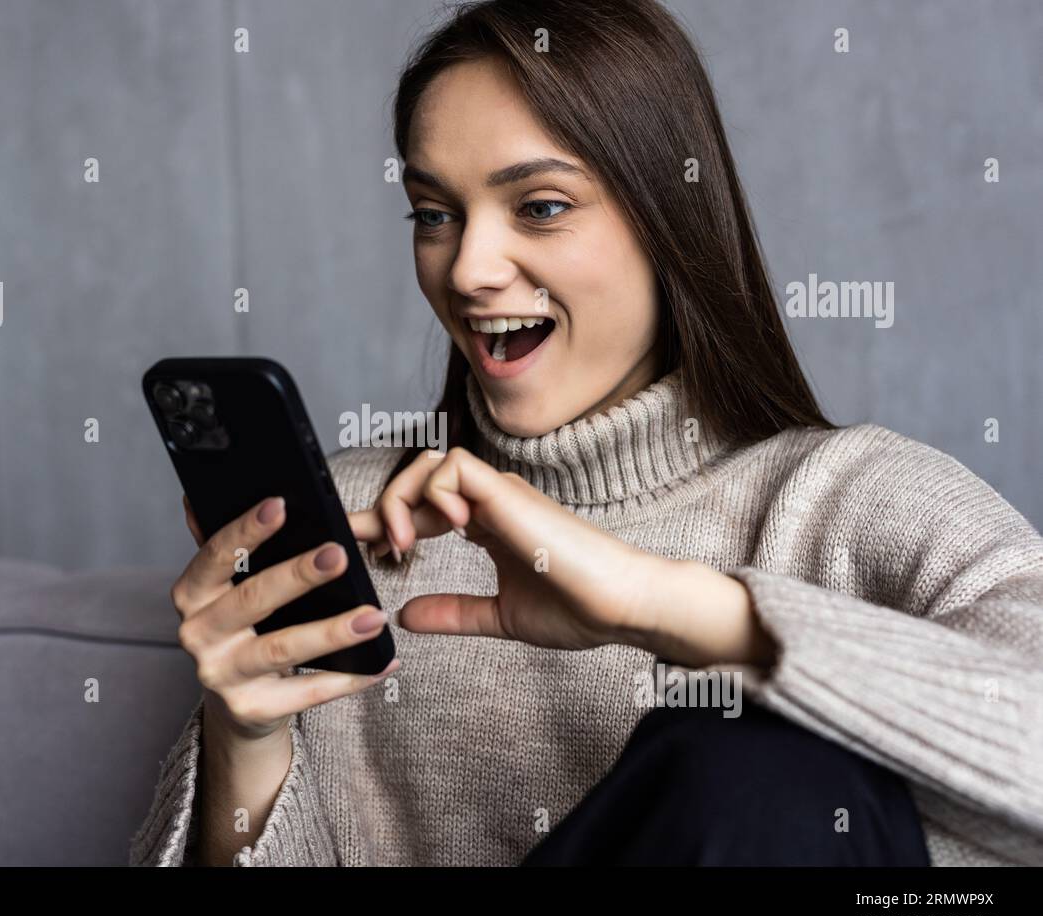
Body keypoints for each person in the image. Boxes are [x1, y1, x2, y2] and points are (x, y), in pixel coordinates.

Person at [130, 0, 1043, 866]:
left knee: (757, 763)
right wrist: (245, 735)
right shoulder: (354, 525)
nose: (470, 269)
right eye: (435, 214)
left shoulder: (853, 498)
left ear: (667, 219)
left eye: (541, 206)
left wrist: (661, 604)